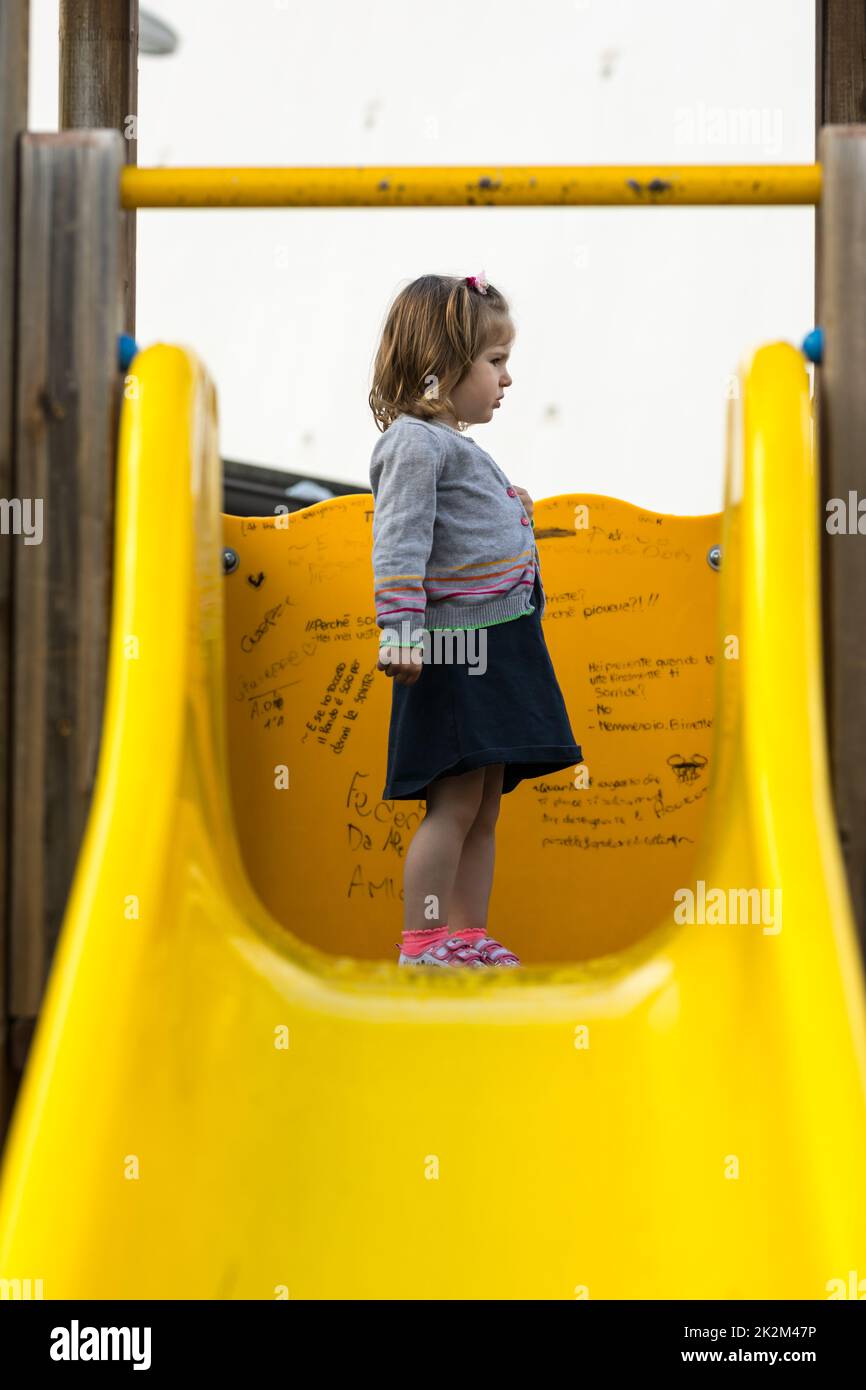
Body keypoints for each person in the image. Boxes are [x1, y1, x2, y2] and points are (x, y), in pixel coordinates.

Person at [368, 271, 583, 968]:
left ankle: (465, 934)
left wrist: (508, 507)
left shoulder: (453, 446)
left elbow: (462, 531)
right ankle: (424, 942)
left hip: (497, 644)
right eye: (495, 361)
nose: (507, 378)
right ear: (443, 367)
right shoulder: (415, 443)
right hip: (456, 652)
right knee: (455, 805)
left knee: (486, 806)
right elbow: (399, 540)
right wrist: (400, 629)